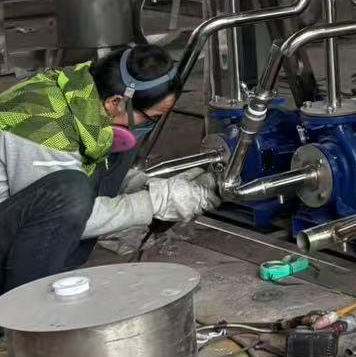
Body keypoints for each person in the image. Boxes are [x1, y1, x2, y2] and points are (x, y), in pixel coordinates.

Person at [0, 42, 219, 294]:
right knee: (69, 191)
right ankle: (20, 305)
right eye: (152, 118)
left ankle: (56, 274)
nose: (151, 126)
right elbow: (65, 213)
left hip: (18, 217)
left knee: (121, 142)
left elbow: (91, 170)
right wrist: (154, 203)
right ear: (116, 102)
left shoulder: (84, 95)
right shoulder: (40, 125)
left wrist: (149, 187)